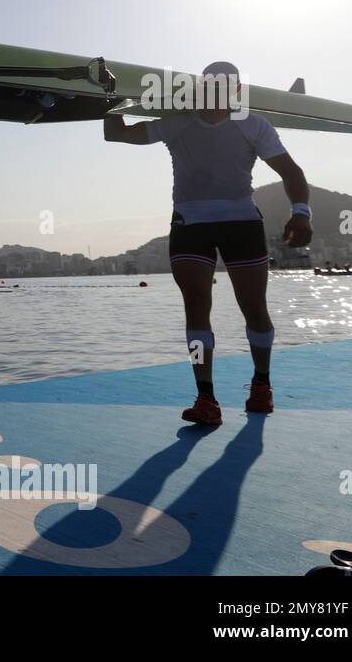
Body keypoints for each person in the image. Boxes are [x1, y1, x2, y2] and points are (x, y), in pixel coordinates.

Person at [104, 61, 311, 425]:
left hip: (241, 222)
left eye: (223, 86)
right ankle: (205, 398)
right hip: (190, 223)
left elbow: (291, 172)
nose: (215, 92)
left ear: (236, 91)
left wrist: (301, 213)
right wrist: (108, 98)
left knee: (253, 307)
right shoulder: (177, 123)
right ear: (201, 87)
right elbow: (117, 134)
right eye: (209, 85)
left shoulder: (253, 124)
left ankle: (261, 384)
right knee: (196, 306)